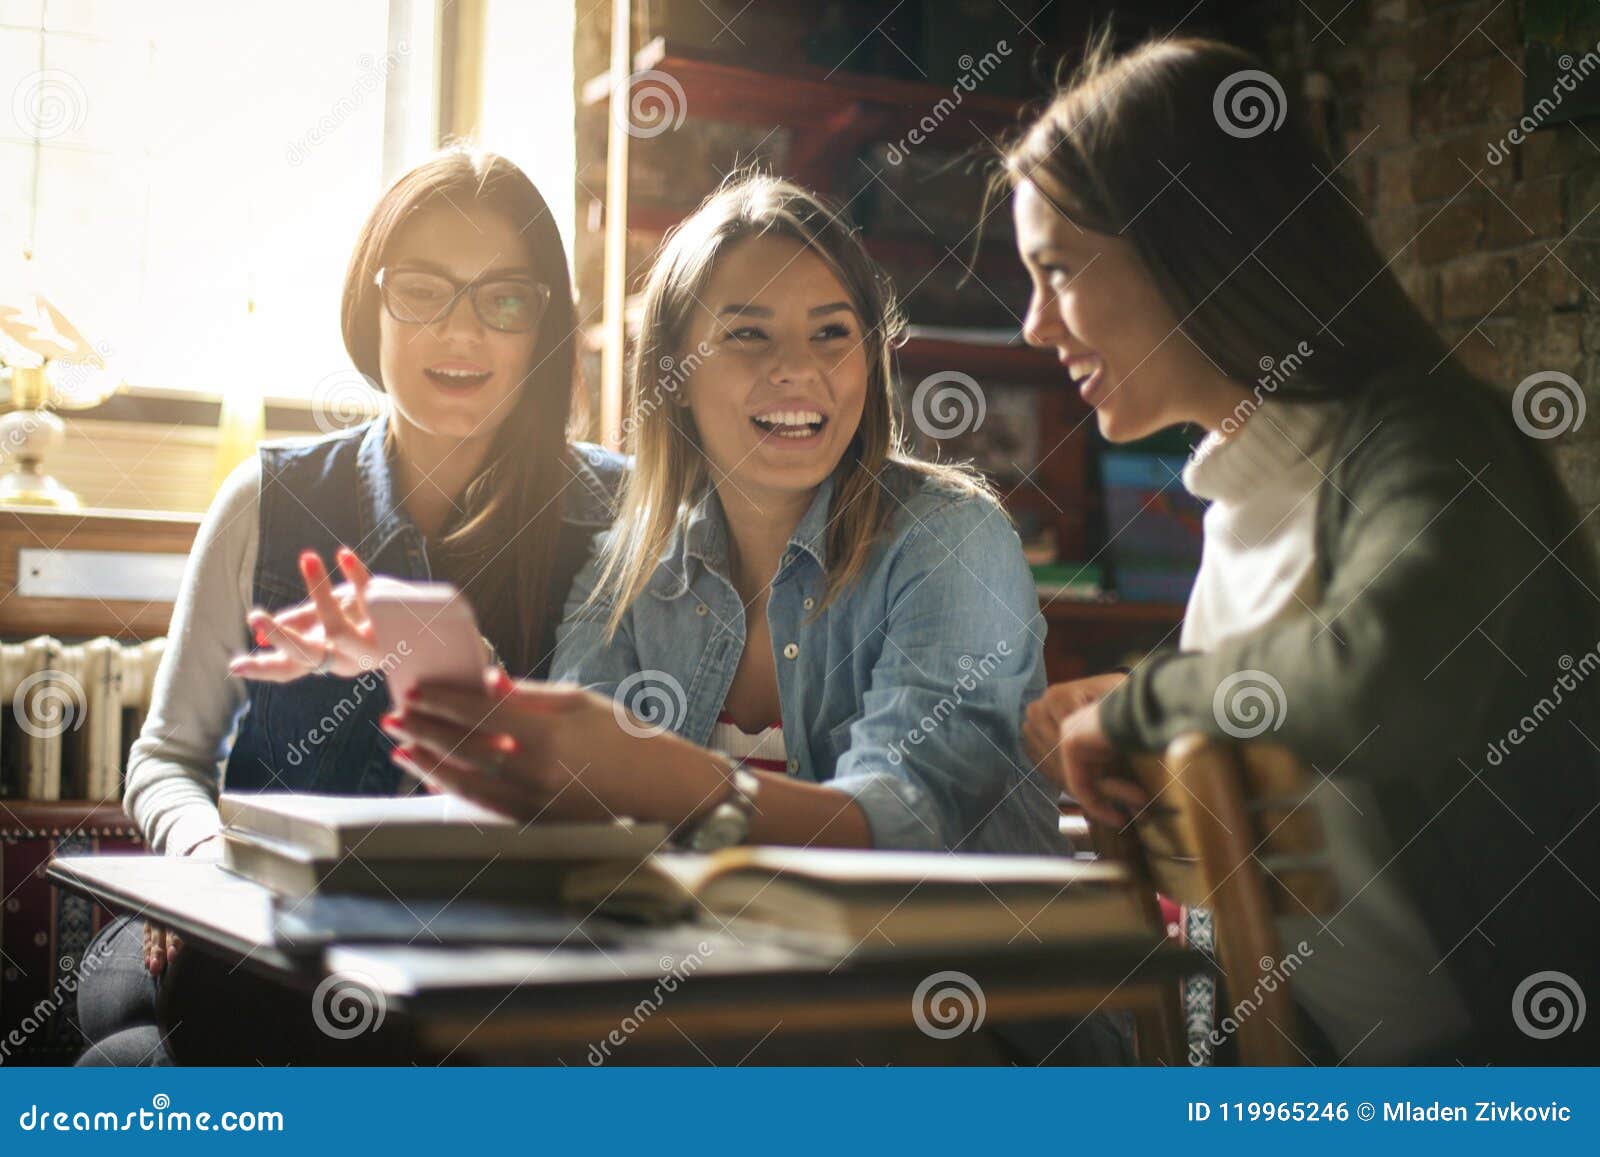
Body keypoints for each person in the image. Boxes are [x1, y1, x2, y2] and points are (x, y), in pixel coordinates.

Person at [1010, 35, 1600, 1063]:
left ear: (1187, 240)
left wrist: (1147, 702)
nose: (1032, 325)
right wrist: (1145, 707)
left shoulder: (1430, 439)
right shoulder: (1240, 499)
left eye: (1056, 269)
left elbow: (1385, 673)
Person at [76, 147, 624, 1065]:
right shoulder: (265, 502)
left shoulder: (619, 518)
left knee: (151, 1055)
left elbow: (619, 788)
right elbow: (167, 756)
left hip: (484, 946)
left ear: (545, 324)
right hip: (257, 913)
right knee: (124, 1006)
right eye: (421, 290)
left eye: (505, 299)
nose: (462, 331)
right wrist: (208, 864)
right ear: (369, 304)